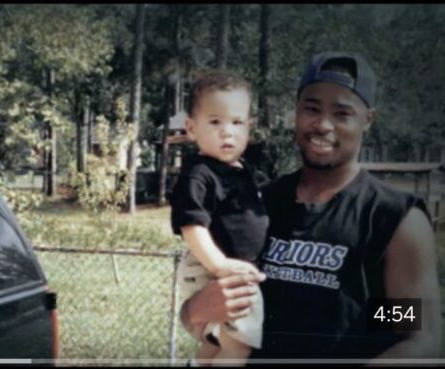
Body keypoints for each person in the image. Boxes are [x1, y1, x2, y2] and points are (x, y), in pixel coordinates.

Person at [179, 51, 441, 362]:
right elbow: (196, 317)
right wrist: (199, 308)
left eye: (342, 113)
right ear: (296, 112)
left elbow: (418, 336)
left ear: (366, 120)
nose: (322, 125)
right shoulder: (256, 205)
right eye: (311, 109)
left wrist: (361, 319)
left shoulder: (390, 218)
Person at [170, 70, 269, 365]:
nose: (227, 131)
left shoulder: (242, 171)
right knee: (239, 345)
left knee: (218, 341)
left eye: (237, 122)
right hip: (216, 267)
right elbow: (192, 226)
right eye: (215, 122)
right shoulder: (199, 173)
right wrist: (221, 266)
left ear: (248, 128)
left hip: (230, 266)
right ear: (191, 127)